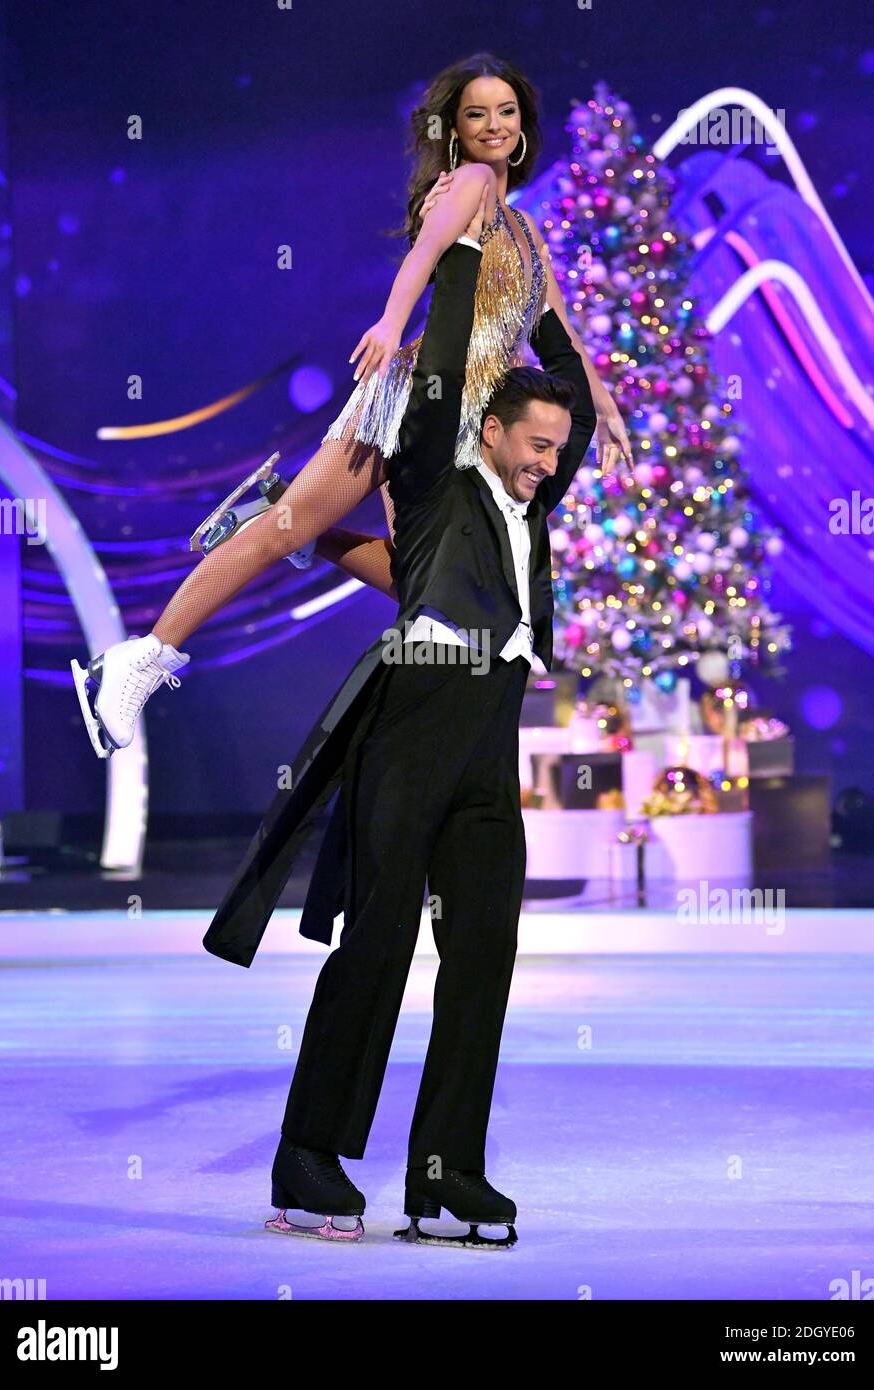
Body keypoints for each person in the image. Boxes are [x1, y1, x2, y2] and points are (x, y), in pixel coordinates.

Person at [203, 180, 599, 1250]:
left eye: (557, 447)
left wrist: (549, 297)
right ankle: (307, 1159)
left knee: (484, 945)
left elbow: (577, 396)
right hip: (416, 713)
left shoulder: (534, 497)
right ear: (489, 430)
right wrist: (464, 245)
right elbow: (443, 357)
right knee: (379, 935)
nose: (546, 459)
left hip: (485, 735)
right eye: (532, 442)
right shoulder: (438, 472)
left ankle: (444, 1174)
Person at [70, 53, 631, 759]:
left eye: (506, 112)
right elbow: (426, 250)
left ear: (522, 127)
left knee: (423, 585)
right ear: (456, 131)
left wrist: (604, 406)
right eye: (477, 113)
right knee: (306, 538)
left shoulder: (525, 229)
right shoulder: (474, 184)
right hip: (417, 395)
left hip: (463, 421)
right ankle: (138, 660)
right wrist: (392, 323)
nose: (494, 124)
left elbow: (561, 335)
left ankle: (288, 525)